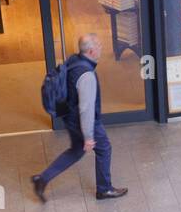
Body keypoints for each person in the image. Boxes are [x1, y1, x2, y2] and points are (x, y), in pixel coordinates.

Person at [32, 34, 128, 202]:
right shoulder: (86, 75)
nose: (101, 47)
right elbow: (86, 109)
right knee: (104, 148)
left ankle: (42, 179)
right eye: (98, 45)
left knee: (76, 150)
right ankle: (104, 189)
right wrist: (89, 136)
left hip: (70, 116)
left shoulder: (74, 60)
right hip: (82, 120)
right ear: (91, 51)